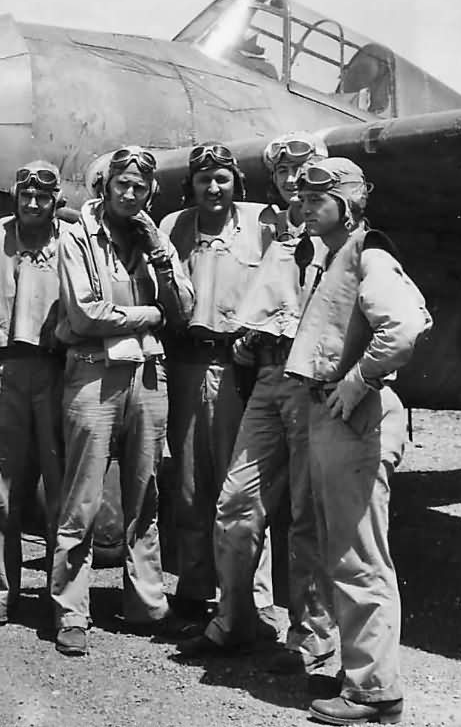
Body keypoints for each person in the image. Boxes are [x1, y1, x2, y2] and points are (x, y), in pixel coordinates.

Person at [177, 132, 337, 671]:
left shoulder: (343, 241)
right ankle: (236, 620)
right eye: (284, 172)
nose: (293, 180)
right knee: (235, 505)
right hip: (268, 379)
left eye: (303, 170)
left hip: (312, 383)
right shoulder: (275, 237)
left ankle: (311, 637)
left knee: (306, 514)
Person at [286, 158, 430, 725]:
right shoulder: (335, 256)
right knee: (341, 550)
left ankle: (375, 691)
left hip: (357, 417)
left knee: (359, 556)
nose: (304, 203)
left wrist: (357, 380)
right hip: (335, 416)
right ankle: (362, 674)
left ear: (344, 203)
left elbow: (404, 327)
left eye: (317, 196)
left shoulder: (370, 252)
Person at [51, 145, 196, 656]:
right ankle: (71, 610)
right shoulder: (75, 237)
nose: (130, 194)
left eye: (139, 188)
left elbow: (184, 308)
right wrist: (148, 316)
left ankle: (147, 605)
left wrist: (160, 250)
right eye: (122, 185)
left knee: (145, 497)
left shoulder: (152, 241)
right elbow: (86, 313)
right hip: (94, 374)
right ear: (104, 187)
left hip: (148, 375)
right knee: (83, 496)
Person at [159, 143, 276, 629]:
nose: (213, 187)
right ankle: (193, 585)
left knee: (242, 484)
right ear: (192, 185)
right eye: (204, 178)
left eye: (223, 178)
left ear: (236, 183)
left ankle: (253, 594)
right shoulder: (173, 226)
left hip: (235, 366)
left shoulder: (262, 226)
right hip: (186, 362)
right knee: (188, 484)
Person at [0, 161, 66, 627]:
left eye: (43, 198)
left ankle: (61, 595)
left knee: (60, 489)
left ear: (56, 201)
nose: (32, 204)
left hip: (57, 371)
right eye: (25, 195)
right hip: (4, 371)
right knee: (0, 492)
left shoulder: (72, 244)